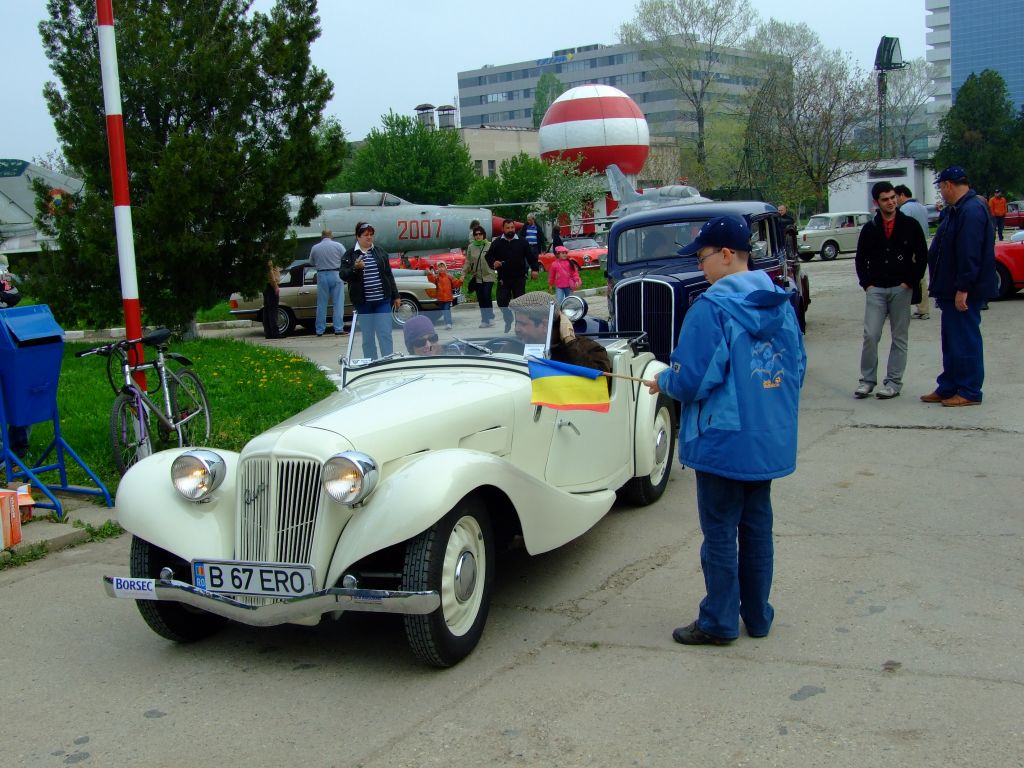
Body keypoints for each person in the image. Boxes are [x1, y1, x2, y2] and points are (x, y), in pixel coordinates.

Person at [645, 215, 805, 646]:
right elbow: (797, 368)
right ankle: (757, 614)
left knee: (719, 532)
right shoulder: (780, 301)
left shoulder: (711, 308)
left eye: (703, 257)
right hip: (767, 435)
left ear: (727, 255)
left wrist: (665, 382)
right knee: (757, 528)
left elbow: (694, 379)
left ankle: (719, 620)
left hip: (723, 438)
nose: (701, 267)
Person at [922, 166, 998, 407]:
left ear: (948, 185)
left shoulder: (971, 210)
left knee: (965, 339)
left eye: (941, 188)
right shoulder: (957, 210)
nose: (941, 193)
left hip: (963, 290)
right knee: (952, 340)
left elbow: (970, 252)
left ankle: (969, 389)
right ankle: (949, 385)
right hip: (949, 288)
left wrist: (963, 288)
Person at [853, 181, 928, 400]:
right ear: (877, 202)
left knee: (899, 337)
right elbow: (861, 259)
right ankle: (867, 381)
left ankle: (894, 382)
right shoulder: (870, 229)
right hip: (876, 289)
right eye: (885, 199)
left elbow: (922, 256)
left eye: (893, 197)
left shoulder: (910, 225)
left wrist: (910, 281)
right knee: (871, 334)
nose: (891, 202)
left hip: (901, 288)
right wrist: (866, 284)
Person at [339, 222, 401, 359]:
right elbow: (343, 274)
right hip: (363, 303)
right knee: (368, 337)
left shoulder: (380, 252)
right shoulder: (350, 254)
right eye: (366, 235)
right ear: (358, 237)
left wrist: (396, 295)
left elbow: (388, 274)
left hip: (382, 300)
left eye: (371, 235)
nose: (369, 238)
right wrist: (355, 268)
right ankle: (371, 363)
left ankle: (388, 360)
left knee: (385, 333)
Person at [508, 291, 610, 374]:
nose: (517, 329)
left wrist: (570, 341)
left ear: (544, 325)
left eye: (523, 324)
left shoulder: (589, 348)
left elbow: (601, 380)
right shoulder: (515, 347)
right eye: (516, 323)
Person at [489, 218, 539, 333]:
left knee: (520, 305)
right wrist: (493, 263)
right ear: (503, 229)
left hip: (519, 278)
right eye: (508, 228)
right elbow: (489, 257)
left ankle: (519, 327)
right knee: (501, 302)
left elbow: (531, 257)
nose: (510, 230)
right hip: (504, 279)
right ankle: (508, 318)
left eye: (512, 228)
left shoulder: (522, 241)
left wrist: (535, 269)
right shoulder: (497, 242)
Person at [893, 184, 932, 320]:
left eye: (895, 197)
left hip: (910, 248)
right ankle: (923, 309)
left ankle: (904, 309)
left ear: (902, 195)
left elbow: (902, 230)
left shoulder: (905, 209)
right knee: (921, 278)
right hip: (922, 245)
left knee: (908, 278)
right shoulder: (922, 207)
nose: (894, 201)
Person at [308, 229, 346, 337]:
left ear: (322, 236)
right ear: (331, 236)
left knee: (321, 304)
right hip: (335, 273)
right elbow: (346, 258)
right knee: (338, 303)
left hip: (321, 275)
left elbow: (311, 262)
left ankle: (320, 330)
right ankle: (338, 328)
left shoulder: (315, 247)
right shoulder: (338, 246)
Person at [463, 224, 496, 328]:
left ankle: (490, 317)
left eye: (480, 234)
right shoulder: (471, 247)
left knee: (486, 295)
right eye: (476, 234)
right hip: (477, 277)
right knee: (481, 298)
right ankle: (484, 320)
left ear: (484, 235)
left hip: (488, 275)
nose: (478, 236)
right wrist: (463, 274)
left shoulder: (489, 245)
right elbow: (467, 261)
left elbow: (496, 258)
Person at [425, 262, 462, 329]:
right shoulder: (436, 277)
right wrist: (429, 273)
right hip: (440, 298)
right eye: (439, 267)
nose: (441, 268)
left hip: (448, 298)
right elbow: (431, 280)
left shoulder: (449, 277)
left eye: (442, 267)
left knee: (446, 310)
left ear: (445, 268)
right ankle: (447, 323)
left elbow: (455, 283)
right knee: (444, 311)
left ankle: (448, 323)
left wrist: (461, 281)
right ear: (437, 269)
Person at [261, 257, 282, 339]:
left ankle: (268, 332)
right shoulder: (268, 258)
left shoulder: (263, 256)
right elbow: (270, 273)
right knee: (273, 310)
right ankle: (275, 332)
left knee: (267, 309)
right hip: (271, 285)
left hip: (266, 285)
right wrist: (275, 286)